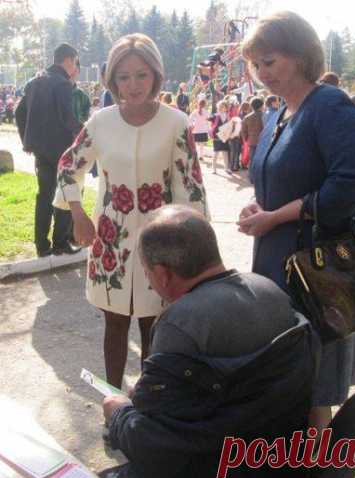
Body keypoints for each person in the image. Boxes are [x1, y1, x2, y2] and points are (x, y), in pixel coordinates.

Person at [100, 205, 319, 478]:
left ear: (163, 274)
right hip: (278, 467)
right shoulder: (270, 290)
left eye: (147, 274)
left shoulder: (179, 324)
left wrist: (118, 414)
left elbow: (155, 447)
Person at [236, 11, 355, 435]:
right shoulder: (277, 115)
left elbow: (352, 184)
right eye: (255, 65)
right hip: (279, 262)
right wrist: (258, 206)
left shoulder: (330, 106)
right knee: (287, 373)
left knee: (316, 384)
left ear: (299, 55)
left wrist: (277, 215)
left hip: (321, 265)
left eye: (270, 61)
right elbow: (277, 179)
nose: (261, 73)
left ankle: (317, 474)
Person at [54, 33, 209, 389]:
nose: (133, 85)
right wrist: (77, 213)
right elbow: (67, 167)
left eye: (141, 75)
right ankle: (113, 401)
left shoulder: (177, 123)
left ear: (156, 74)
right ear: (112, 79)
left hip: (164, 242)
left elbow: (191, 187)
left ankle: (150, 404)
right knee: (115, 324)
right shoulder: (100, 123)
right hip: (112, 241)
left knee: (154, 327)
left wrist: (193, 244)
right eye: (123, 76)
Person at [15, 43, 82, 257]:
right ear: (69, 60)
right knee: (64, 193)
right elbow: (68, 118)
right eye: (75, 62)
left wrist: (27, 140)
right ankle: (60, 242)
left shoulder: (35, 81)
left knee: (44, 195)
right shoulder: (63, 84)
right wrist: (86, 133)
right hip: (62, 149)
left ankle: (41, 245)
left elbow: (18, 112)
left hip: (40, 150)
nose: (75, 68)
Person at [241, 96, 264, 171]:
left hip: (251, 140)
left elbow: (243, 131)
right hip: (263, 140)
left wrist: (246, 139)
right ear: (261, 106)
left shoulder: (247, 117)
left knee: (252, 159)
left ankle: (251, 176)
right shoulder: (264, 116)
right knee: (261, 159)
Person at [210, 100, 230, 174]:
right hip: (217, 136)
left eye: (224, 106)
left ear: (226, 108)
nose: (222, 108)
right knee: (216, 152)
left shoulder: (227, 116)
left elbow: (229, 126)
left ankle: (226, 168)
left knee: (225, 152)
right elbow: (209, 121)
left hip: (224, 136)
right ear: (218, 107)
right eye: (221, 106)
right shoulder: (215, 115)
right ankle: (214, 169)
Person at [188, 98, 210, 162]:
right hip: (203, 130)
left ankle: (196, 156)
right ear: (205, 105)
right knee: (202, 145)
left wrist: (192, 125)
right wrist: (208, 128)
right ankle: (201, 156)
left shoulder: (195, 111)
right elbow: (209, 121)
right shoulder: (206, 112)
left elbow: (189, 119)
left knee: (196, 144)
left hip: (196, 130)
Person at [71, 61, 91, 125]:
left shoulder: (83, 97)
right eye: (69, 69)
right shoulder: (56, 93)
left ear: (78, 72)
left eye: (75, 70)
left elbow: (85, 120)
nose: (71, 73)